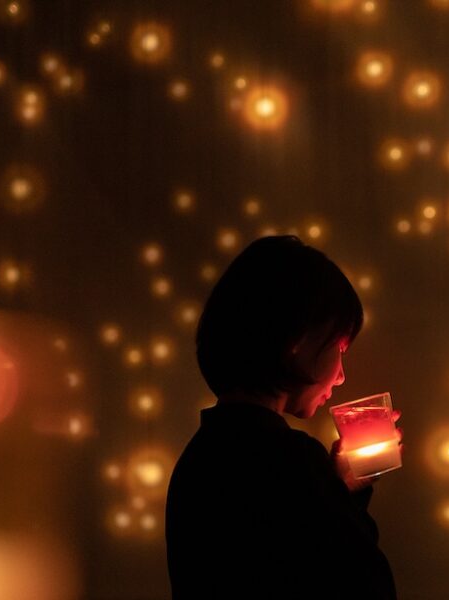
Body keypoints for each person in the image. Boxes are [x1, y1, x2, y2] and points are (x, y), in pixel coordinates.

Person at [166, 235, 397, 599]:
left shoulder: (199, 457)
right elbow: (364, 585)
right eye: (338, 348)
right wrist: (339, 499)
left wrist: (340, 488)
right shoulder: (288, 459)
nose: (341, 375)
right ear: (297, 341)